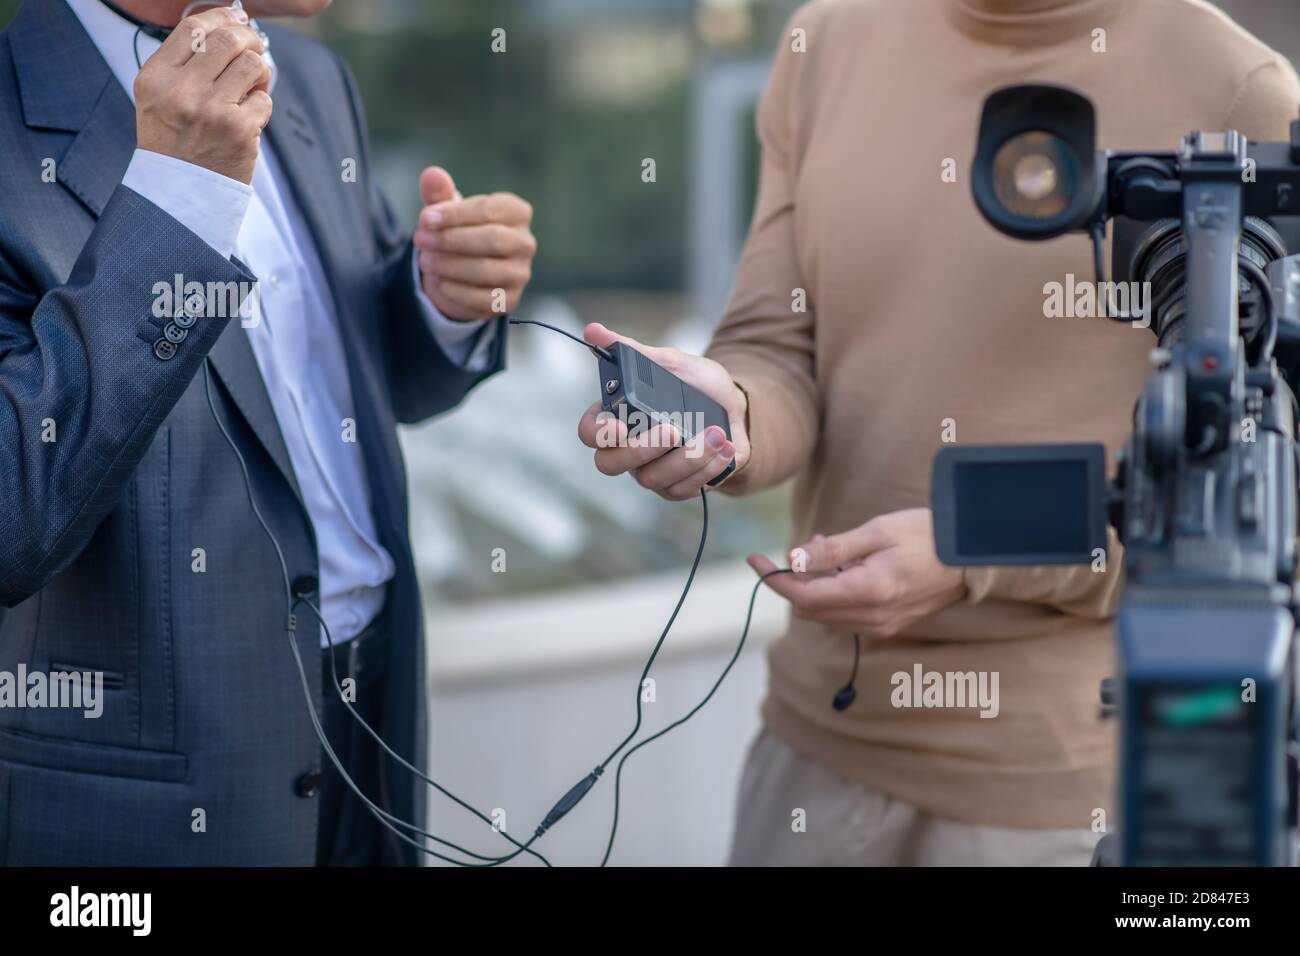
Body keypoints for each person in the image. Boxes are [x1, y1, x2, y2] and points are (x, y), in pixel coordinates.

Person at [578, 0, 1300, 865]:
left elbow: (1252, 491)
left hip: (1051, 802)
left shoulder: (1243, 92)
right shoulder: (828, 37)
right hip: (812, 755)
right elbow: (778, 345)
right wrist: (727, 412)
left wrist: (972, 556)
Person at [0, 0, 537, 865]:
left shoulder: (312, 77)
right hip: (153, 811)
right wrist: (177, 198)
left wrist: (441, 304)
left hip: (377, 727)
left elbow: (356, 382)